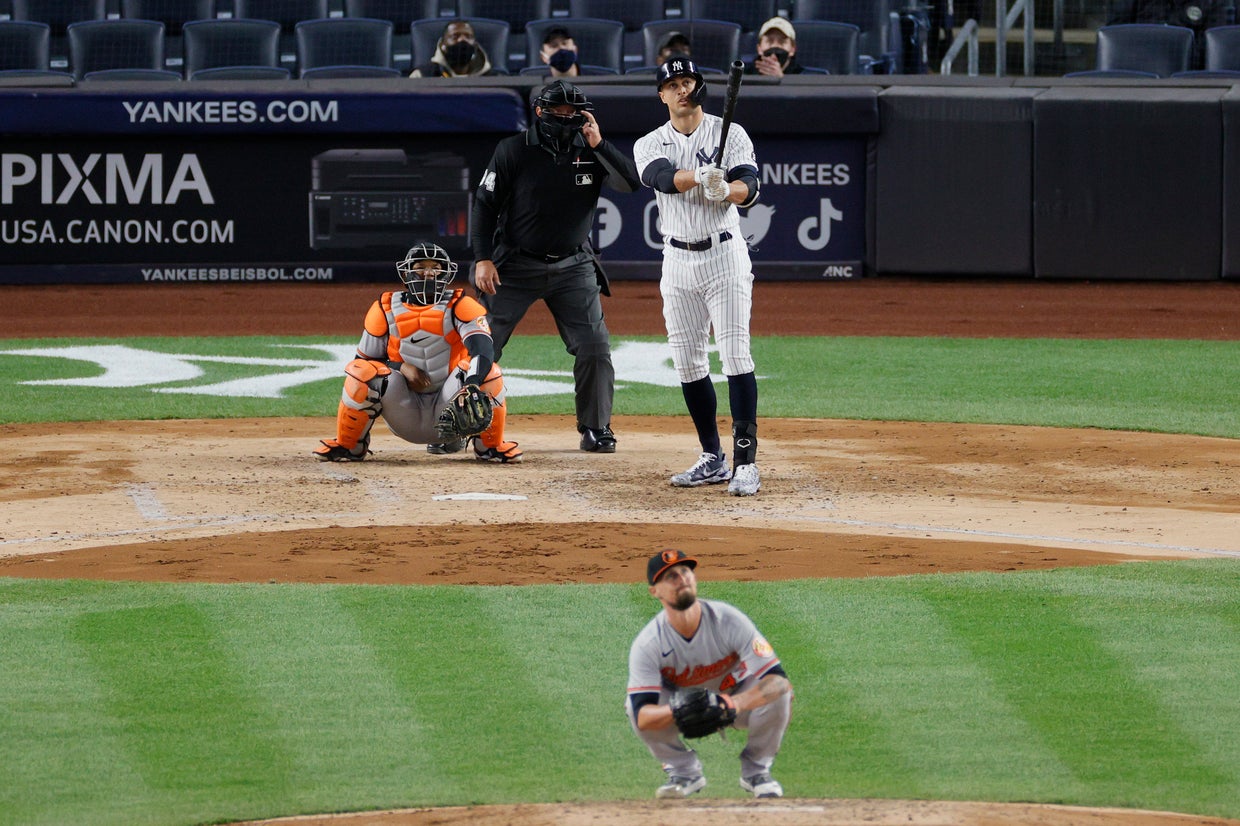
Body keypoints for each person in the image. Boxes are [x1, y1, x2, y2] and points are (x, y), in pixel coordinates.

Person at [471, 80, 641, 453]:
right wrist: (483, 258)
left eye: (573, 113)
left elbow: (630, 183)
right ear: (539, 113)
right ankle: (458, 423)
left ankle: (596, 427)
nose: (567, 119)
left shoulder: (591, 149)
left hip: (574, 265)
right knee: (480, 344)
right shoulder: (513, 150)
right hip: (514, 264)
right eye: (559, 112)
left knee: (595, 346)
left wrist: (599, 144)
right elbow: (484, 205)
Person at [632, 57, 764, 496]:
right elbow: (660, 177)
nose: (681, 89)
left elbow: (751, 186)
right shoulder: (649, 142)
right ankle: (712, 457)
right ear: (662, 95)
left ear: (699, 86)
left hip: (724, 254)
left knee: (735, 355)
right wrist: (698, 177)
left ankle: (745, 461)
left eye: (687, 81)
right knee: (688, 363)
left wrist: (727, 189)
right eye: (672, 84)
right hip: (676, 260)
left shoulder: (734, 133)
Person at [313, 242, 522, 464]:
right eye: (421, 267)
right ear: (406, 273)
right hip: (404, 408)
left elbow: (483, 349)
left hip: (450, 404)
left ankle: (490, 448)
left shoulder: (461, 304)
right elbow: (365, 360)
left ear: (445, 273)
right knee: (361, 372)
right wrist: (400, 367)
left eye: (436, 267)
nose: (429, 273)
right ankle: (348, 446)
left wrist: (471, 383)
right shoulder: (385, 308)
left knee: (490, 372)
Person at [626, 549, 793, 800]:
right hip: (680, 703)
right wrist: (679, 710)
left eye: (685, 571)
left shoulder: (729, 620)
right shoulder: (648, 644)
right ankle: (684, 773)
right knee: (632, 707)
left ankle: (757, 772)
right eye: (670, 576)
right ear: (655, 591)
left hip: (736, 695)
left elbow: (778, 681)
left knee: (779, 694)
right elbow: (642, 715)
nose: (681, 578)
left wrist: (732, 703)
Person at [410, 20, 498, 78]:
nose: (462, 40)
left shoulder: (494, 78)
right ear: (443, 46)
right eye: (455, 36)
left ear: (475, 45)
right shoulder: (421, 76)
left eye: (468, 36)